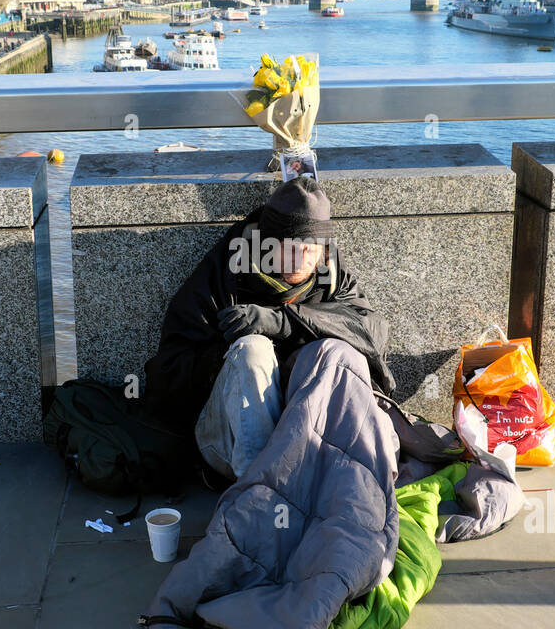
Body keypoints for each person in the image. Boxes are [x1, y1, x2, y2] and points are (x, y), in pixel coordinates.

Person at [143, 177, 395, 485]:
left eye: (311, 249)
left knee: (338, 351)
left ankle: (355, 479)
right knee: (253, 350)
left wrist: (283, 322)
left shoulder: (329, 274)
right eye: (291, 248)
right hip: (229, 442)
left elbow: (373, 332)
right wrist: (225, 356)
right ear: (267, 243)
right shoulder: (225, 275)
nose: (302, 260)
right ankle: (259, 492)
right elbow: (166, 373)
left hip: (306, 443)